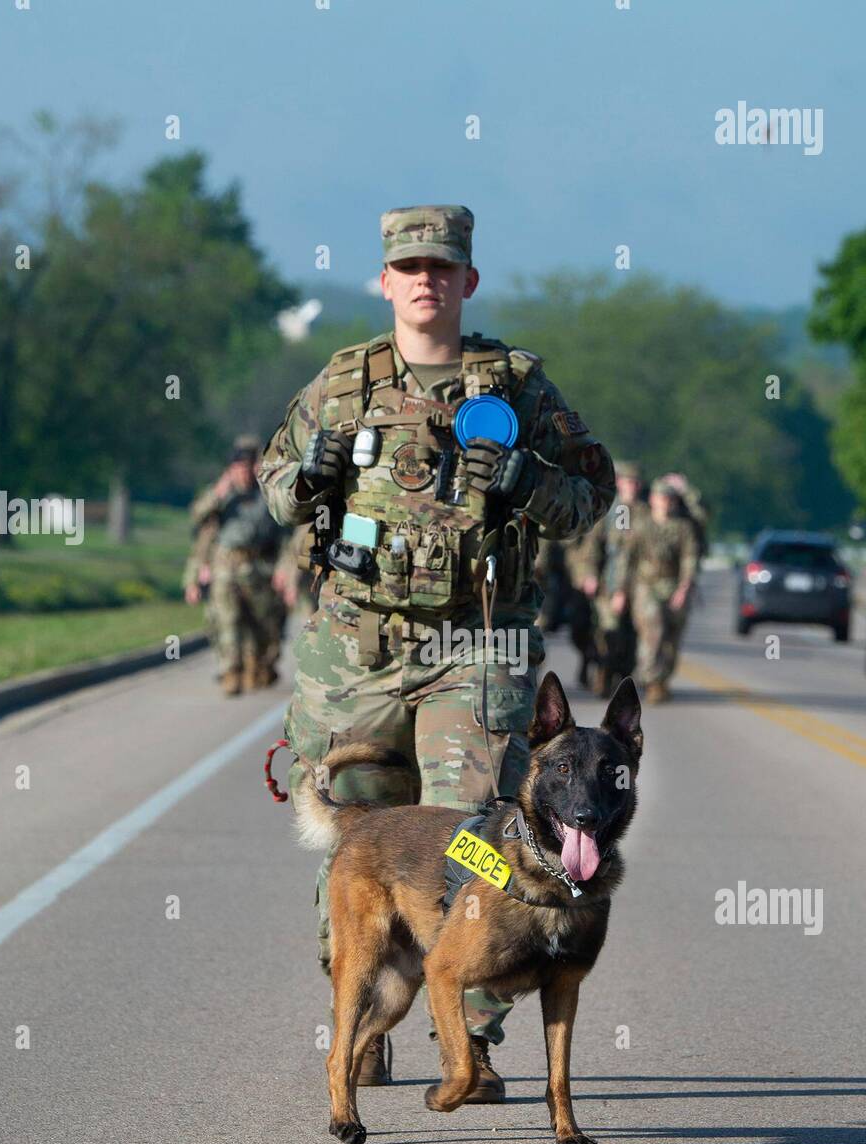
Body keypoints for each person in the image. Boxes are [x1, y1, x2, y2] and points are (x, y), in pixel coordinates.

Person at [258, 205, 615, 1095]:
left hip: (476, 641)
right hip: (358, 647)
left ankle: (476, 1035)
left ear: (469, 281)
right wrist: (310, 473)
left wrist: (529, 480)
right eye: (409, 266)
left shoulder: (518, 385)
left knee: (478, 839)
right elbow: (273, 490)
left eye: (443, 267)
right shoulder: (341, 385)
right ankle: (371, 1017)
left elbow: (591, 496)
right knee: (363, 832)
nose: (426, 280)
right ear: (384, 280)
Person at [188, 436, 289, 696]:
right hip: (225, 565)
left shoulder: (265, 494)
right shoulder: (221, 495)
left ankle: (258, 665)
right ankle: (231, 672)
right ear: (231, 470)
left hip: (258, 566)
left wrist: (283, 570)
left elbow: (283, 530)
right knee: (227, 620)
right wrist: (219, 492)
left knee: (263, 621)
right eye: (238, 469)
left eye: (247, 468)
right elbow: (198, 516)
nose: (243, 474)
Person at [615, 476, 701, 705]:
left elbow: (689, 560)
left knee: (672, 638)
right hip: (646, 586)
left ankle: (663, 679)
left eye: (670, 499)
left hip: (674, 586)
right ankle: (652, 680)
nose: (665, 503)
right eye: (661, 498)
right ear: (653, 499)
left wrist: (684, 589)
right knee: (653, 632)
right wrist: (621, 590)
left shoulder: (684, 528)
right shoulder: (641, 525)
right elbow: (627, 559)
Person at [567, 460, 642, 695]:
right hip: (611, 586)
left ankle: (620, 678)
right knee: (607, 634)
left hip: (640, 587)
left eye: (636, 483)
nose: (633, 487)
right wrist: (589, 575)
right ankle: (604, 675)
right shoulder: (616, 511)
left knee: (631, 641)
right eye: (629, 482)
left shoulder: (647, 512)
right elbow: (593, 547)